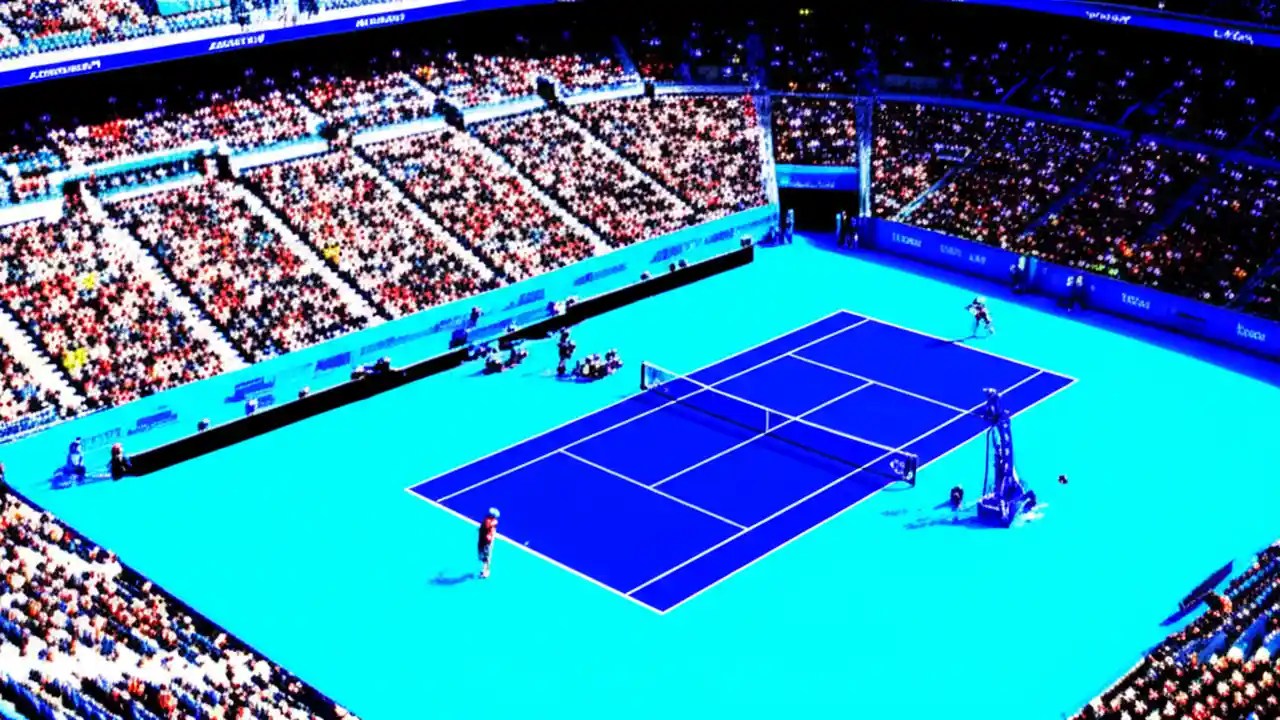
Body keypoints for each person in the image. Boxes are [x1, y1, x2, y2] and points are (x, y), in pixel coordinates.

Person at [478, 508, 499, 579]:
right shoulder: (491, 522)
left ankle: (486, 571)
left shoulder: (487, 520)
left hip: (486, 541)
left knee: (486, 557)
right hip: (485, 541)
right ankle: (484, 570)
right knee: (485, 557)